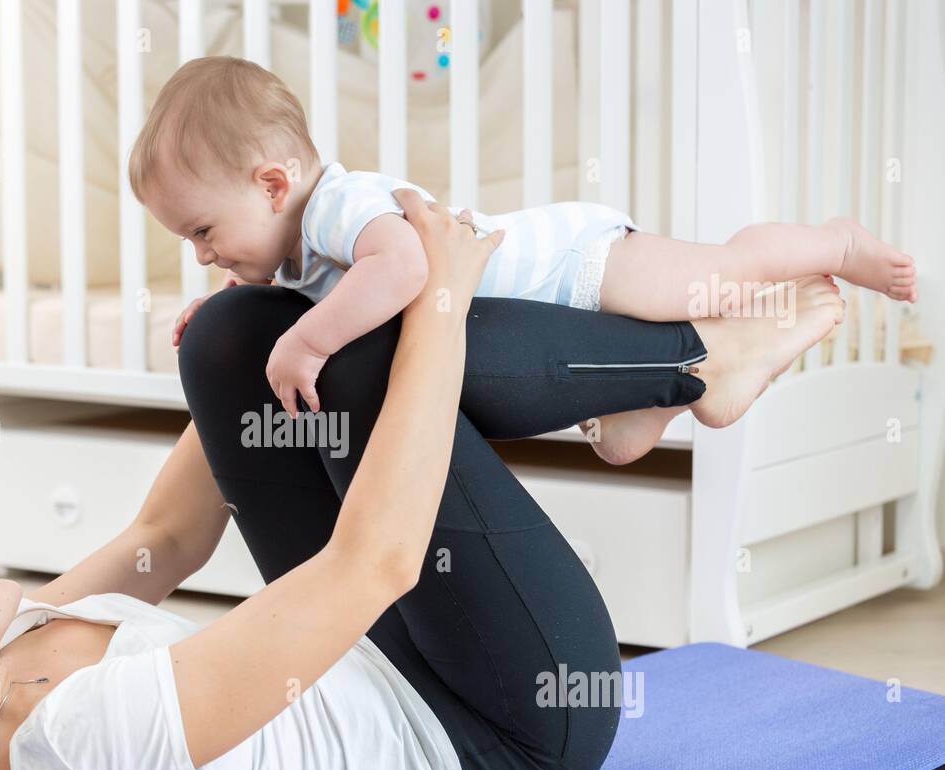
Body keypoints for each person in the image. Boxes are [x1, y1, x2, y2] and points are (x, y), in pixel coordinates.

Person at [0, 190, 844, 770]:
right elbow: (373, 562)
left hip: (398, 667)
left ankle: (666, 375)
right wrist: (440, 287)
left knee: (242, 340)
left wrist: (264, 326)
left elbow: (171, 530)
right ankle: (697, 357)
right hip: (505, 732)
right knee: (386, 352)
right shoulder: (80, 747)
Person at [133, 54, 901, 464]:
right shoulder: (296, 249)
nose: (203, 256)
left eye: (203, 233)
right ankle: (672, 389)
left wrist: (305, 339)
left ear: (274, 185)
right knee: (621, 444)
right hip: (549, 314)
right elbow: (328, 294)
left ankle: (833, 241)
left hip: (574, 263)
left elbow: (400, 270)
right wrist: (229, 304)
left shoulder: (340, 204)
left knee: (725, 274)